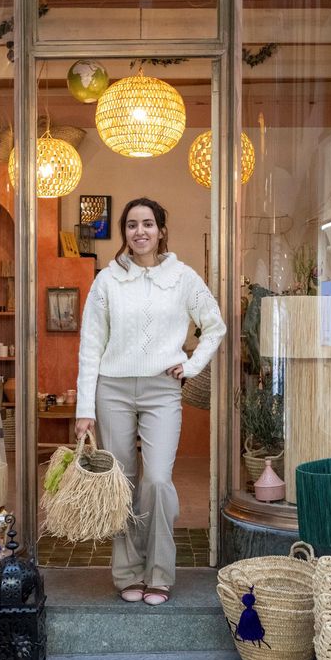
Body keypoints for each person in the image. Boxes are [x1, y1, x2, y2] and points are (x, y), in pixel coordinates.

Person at [75, 198, 226, 606]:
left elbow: (215, 326)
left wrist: (191, 366)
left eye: (147, 224)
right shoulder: (107, 280)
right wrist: (84, 408)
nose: (139, 231)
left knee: (157, 480)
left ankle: (159, 573)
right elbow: (91, 345)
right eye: (131, 225)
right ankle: (128, 572)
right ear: (124, 232)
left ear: (161, 230)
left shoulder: (183, 278)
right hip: (112, 389)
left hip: (162, 390)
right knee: (121, 482)